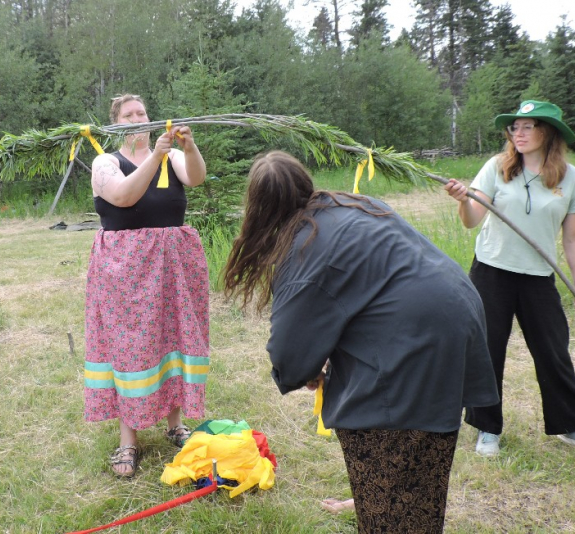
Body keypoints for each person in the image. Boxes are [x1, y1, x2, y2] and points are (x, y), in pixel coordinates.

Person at [223, 151, 499, 533]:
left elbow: (288, 348)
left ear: (258, 207)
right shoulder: (353, 203)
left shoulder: (305, 247)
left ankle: (388, 518)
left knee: (389, 454)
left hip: (416, 336)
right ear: (304, 182)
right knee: (420, 459)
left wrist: (299, 370)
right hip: (455, 315)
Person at [84, 94, 209, 478]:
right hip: (126, 270)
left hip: (173, 265)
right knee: (131, 348)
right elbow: (123, 196)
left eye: (142, 113)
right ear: (116, 124)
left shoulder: (171, 158)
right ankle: (128, 440)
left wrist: (190, 147)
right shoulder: (105, 161)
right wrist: (155, 155)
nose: (137, 118)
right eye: (128, 115)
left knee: (173, 340)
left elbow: (197, 177)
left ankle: (175, 424)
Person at [445, 100, 575, 457]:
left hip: (538, 277)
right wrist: (461, 200)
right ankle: (487, 428)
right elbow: (472, 219)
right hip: (492, 272)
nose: (518, 133)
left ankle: (569, 422)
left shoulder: (570, 177)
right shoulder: (497, 168)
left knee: (553, 351)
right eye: (514, 127)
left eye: (527, 126)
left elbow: (571, 240)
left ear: (548, 133)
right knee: (487, 351)